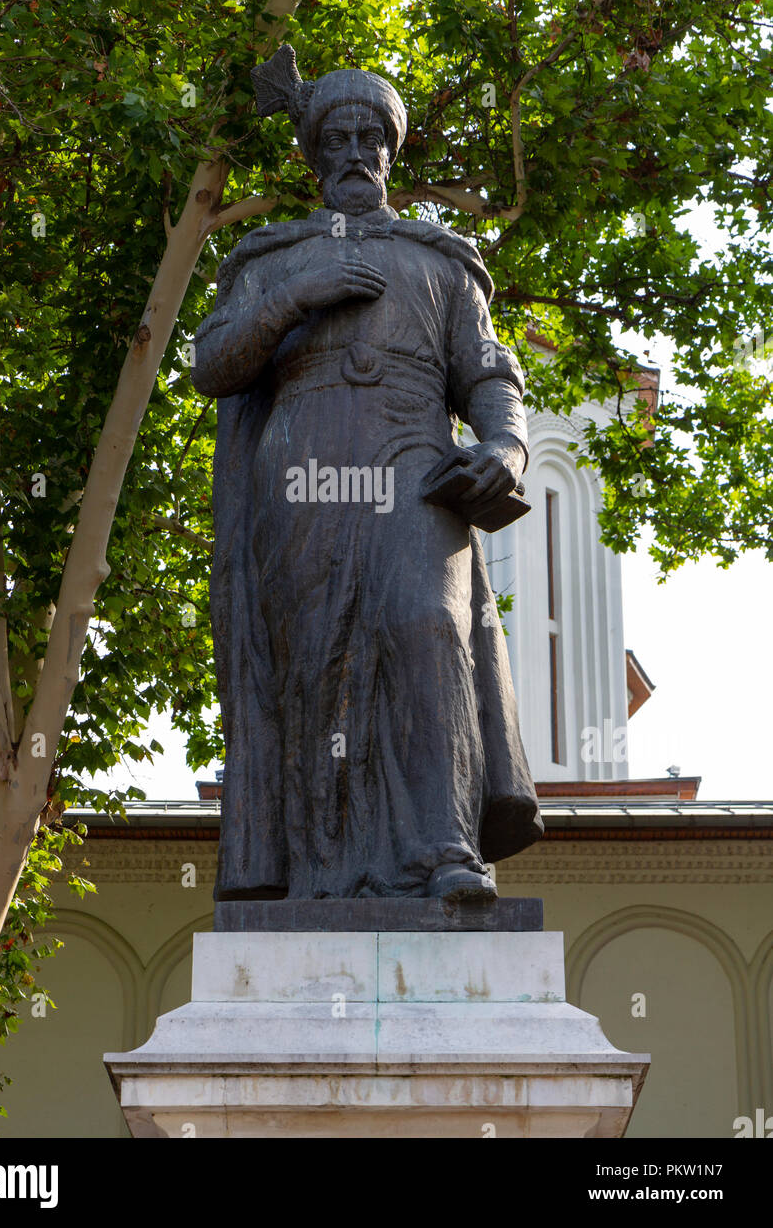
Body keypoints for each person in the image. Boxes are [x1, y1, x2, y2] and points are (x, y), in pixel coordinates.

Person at [191, 46, 542, 903]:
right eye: (336, 138)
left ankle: (444, 851)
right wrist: (293, 296)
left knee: (427, 626)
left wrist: (505, 448)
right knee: (315, 662)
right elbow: (212, 367)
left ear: (391, 154)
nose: (354, 152)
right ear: (313, 156)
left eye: (369, 139)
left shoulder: (442, 264)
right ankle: (318, 870)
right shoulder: (270, 258)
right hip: (301, 480)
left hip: (415, 474)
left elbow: (491, 374)